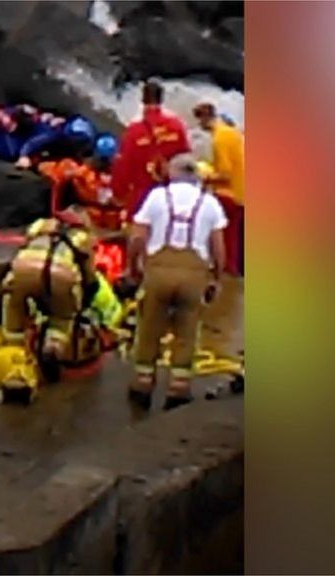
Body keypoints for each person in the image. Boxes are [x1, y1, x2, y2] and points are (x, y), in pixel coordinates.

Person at [126, 155, 227, 410]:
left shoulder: (157, 197)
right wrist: (216, 277)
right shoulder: (210, 203)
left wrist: (133, 268)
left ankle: (142, 383)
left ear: (171, 173)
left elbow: (137, 237)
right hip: (194, 274)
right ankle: (178, 388)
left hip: (158, 271)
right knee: (187, 329)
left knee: (149, 326)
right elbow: (218, 247)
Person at [0, 209, 121, 375]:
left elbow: (25, 245)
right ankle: (53, 350)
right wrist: (86, 296)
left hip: (23, 268)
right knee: (63, 317)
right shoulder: (83, 237)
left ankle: (12, 354)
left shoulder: (40, 225)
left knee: (14, 303)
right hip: (62, 275)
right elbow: (90, 276)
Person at [110, 79, 191, 214]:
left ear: (142, 100)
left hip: (143, 201)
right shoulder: (176, 126)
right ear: (162, 99)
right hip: (173, 201)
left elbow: (122, 167)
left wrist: (118, 194)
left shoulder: (133, 132)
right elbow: (187, 161)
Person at [193, 102, 245, 276]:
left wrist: (205, 176)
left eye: (200, 122)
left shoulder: (219, 139)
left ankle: (225, 275)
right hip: (241, 193)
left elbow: (225, 174)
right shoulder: (232, 132)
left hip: (226, 196)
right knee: (235, 243)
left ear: (205, 119)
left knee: (224, 243)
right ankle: (234, 273)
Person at [37, 133, 123, 230]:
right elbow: (55, 177)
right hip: (86, 218)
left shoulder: (124, 178)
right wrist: (56, 211)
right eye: (103, 160)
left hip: (114, 224)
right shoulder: (81, 172)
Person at [0, 105, 97, 169]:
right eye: (1, 120)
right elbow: (29, 146)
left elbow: (42, 135)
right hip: (40, 144)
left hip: (51, 135)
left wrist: (50, 117)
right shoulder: (9, 145)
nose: (6, 120)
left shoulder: (23, 116)